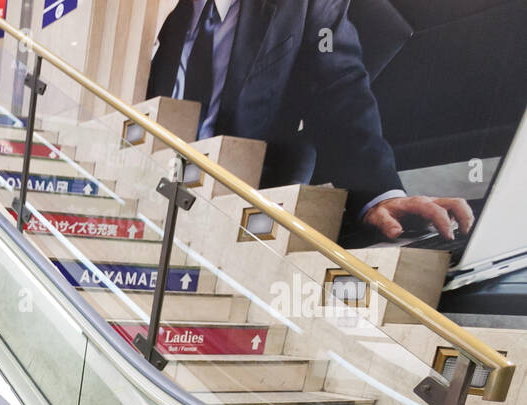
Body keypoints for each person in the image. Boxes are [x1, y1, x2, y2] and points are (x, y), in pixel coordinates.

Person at [147, 0, 473, 241]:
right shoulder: (155, 15)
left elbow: (337, 89)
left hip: (230, 212)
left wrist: (379, 192)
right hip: (142, 185)